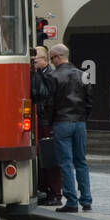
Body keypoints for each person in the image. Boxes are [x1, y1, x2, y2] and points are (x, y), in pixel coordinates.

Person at [47, 43, 92, 213]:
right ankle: (86, 199)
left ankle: (71, 201)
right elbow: (90, 100)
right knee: (81, 161)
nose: (52, 62)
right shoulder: (83, 75)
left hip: (62, 121)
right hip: (80, 121)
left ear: (58, 57)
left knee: (65, 163)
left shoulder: (54, 77)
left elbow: (50, 103)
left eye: (52, 58)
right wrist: (83, 117)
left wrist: (51, 121)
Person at [31, 45, 62, 206]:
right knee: (43, 159)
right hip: (42, 121)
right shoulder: (41, 74)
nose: (33, 63)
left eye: (35, 60)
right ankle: (46, 190)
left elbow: (47, 100)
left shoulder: (49, 75)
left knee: (49, 159)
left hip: (46, 122)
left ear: (44, 59)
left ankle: (55, 193)